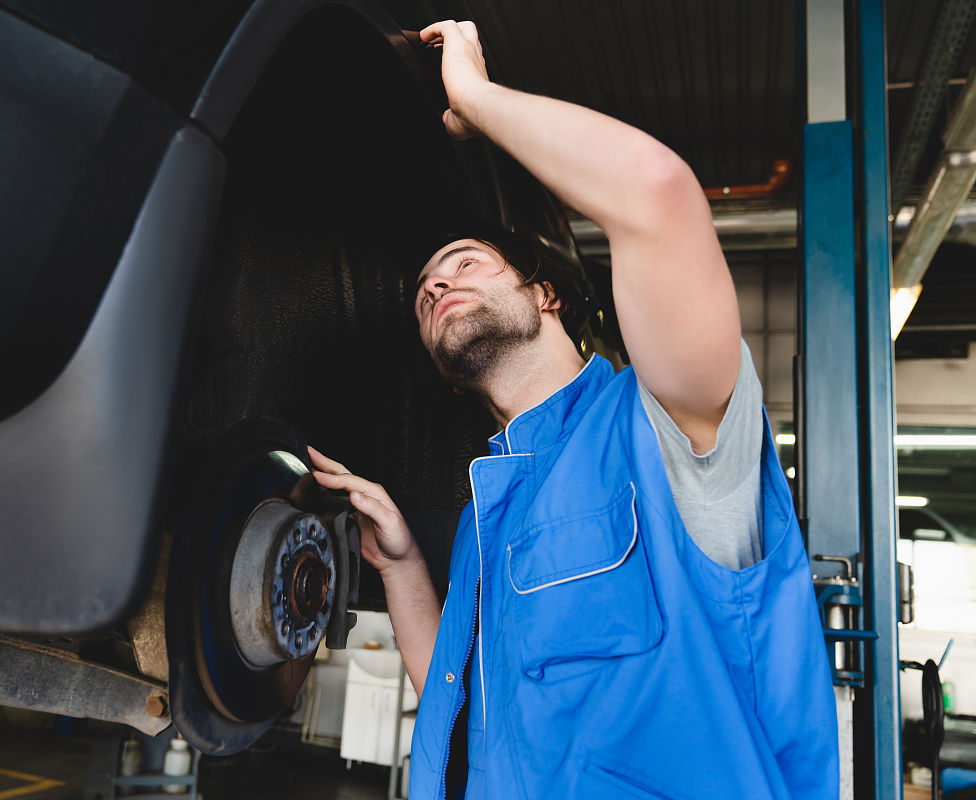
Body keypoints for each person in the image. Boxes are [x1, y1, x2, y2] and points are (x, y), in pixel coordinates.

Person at [310, 19, 838, 799]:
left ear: (546, 294)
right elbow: (474, 707)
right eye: (424, 297)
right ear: (446, 377)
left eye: (466, 265)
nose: (437, 288)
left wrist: (476, 99)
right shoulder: (487, 516)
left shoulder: (664, 423)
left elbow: (657, 196)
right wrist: (402, 565)